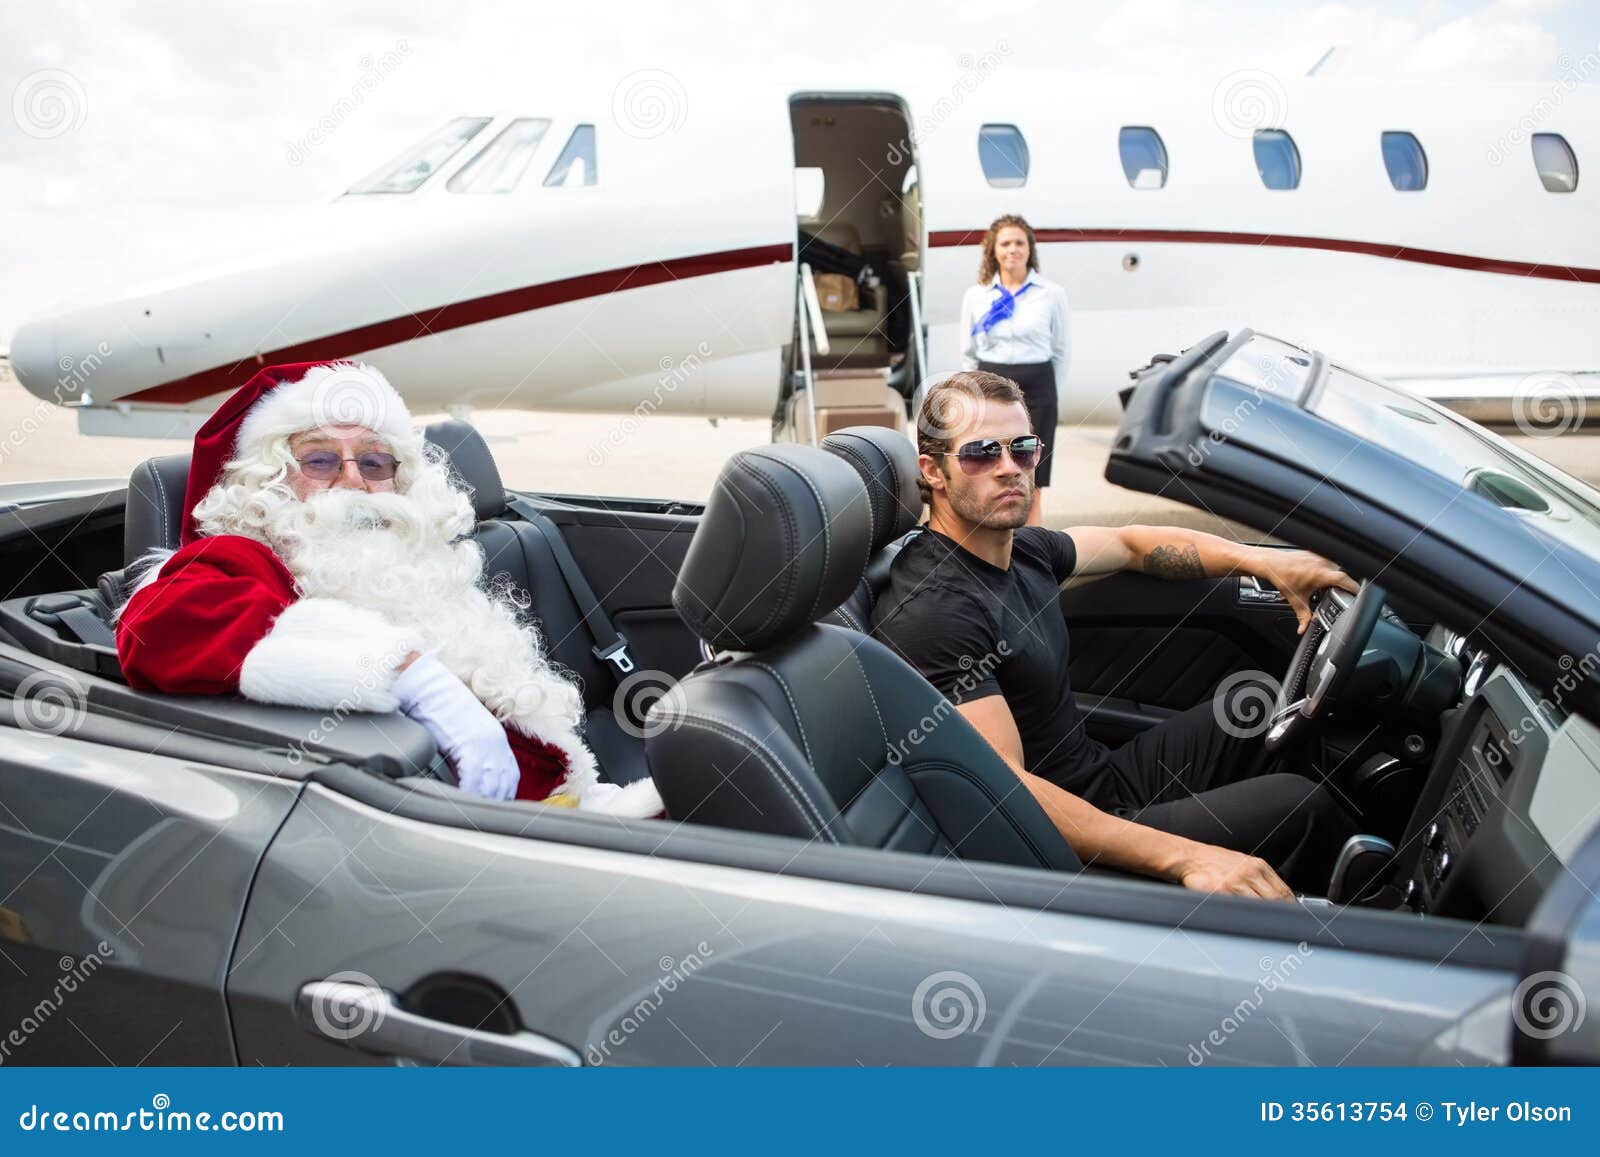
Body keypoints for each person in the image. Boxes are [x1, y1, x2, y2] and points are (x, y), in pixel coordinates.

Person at [872, 371, 1363, 899]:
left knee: (1268, 706)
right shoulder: (935, 610)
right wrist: (1187, 858)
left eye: (1023, 449)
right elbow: (1005, 789)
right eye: (981, 454)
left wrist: (1261, 560)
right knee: (1300, 807)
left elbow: (1132, 544)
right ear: (935, 471)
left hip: (1098, 780)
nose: (1009, 468)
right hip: (1068, 844)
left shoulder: (1022, 551)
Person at [115, 359, 661, 816]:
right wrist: (416, 678)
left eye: (375, 461)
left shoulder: (417, 565)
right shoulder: (246, 555)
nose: (355, 479)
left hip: (553, 818)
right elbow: (162, 626)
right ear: (269, 482)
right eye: (321, 459)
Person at [958, 214, 1068, 527]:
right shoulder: (976, 295)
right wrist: (973, 395)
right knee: (992, 461)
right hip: (991, 382)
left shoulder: (1051, 294)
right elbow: (968, 353)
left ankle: (1034, 541)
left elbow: (1061, 351)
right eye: (1005, 243)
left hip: (1038, 384)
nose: (1012, 250)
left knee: (1032, 466)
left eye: (1019, 243)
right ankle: (991, 529)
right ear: (993, 250)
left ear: (1030, 249)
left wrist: (1048, 393)